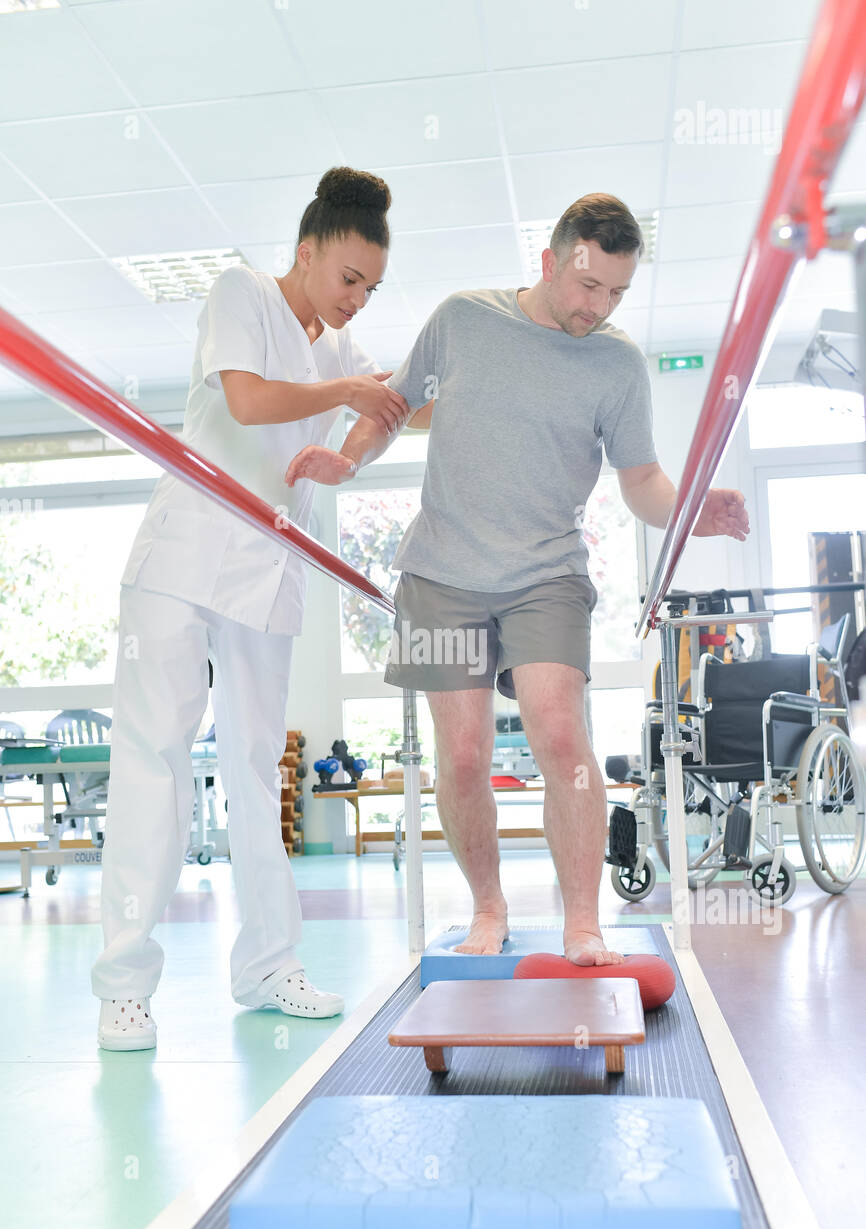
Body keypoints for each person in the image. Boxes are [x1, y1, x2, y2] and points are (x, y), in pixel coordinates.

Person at [286, 192, 749, 966]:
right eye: (587, 286)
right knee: (461, 755)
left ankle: (582, 925)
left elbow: (641, 482)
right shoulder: (464, 318)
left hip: (546, 572)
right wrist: (349, 458)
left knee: (562, 735)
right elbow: (396, 404)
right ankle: (489, 910)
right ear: (549, 260)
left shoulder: (618, 363)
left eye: (616, 293)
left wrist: (694, 509)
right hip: (442, 571)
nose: (598, 307)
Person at [92, 166, 409, 1050]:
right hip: (185, 557)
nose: (357, 299)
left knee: (257, 771)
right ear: (305, 253)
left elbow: (384, 410)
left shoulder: (341, 354)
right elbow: (247, 399)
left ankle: (269, 967)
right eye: (348, 277)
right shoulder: (241, 293)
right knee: (153, 762)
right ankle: (123, 984)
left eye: (372, 287)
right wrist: (349, 398)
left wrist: (357, 444)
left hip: (266, 572)